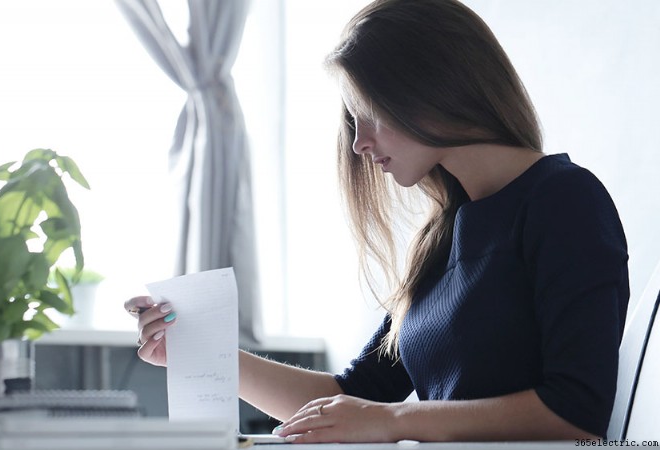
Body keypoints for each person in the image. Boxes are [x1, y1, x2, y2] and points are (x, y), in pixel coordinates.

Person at [124, 0, 629, 443]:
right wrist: (201, 354)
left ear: (432, 89)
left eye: (368, 115)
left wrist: (394, 420)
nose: (359, 144)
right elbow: (351, 397)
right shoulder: (443, 235)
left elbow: (576, 415)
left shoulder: (565, 200)